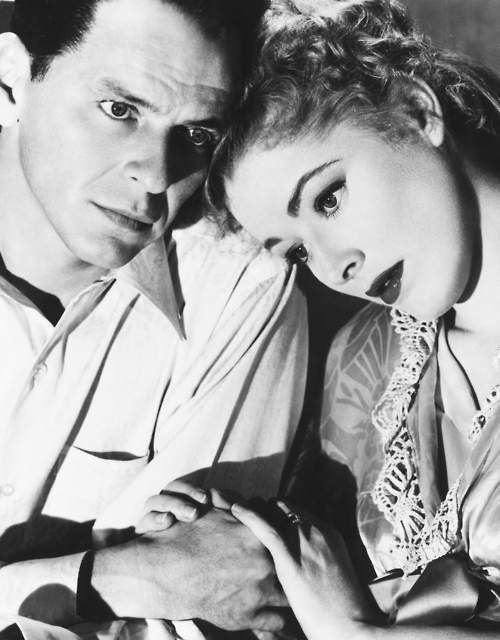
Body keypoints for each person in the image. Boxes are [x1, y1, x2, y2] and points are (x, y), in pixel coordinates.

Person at [0, 0, 309, 638]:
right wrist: (114, 578)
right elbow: (159, 585)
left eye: (197, 134)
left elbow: (208, 590)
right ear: (11, 81)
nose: (156, 174)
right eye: (120, 110)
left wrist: (138, 582)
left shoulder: (239, 291)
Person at [206, 0, 500, 636]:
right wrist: (231, 536)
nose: (333, 266)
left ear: (417, 112)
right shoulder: (364, 365)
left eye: (329, 197)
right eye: (297, 250)